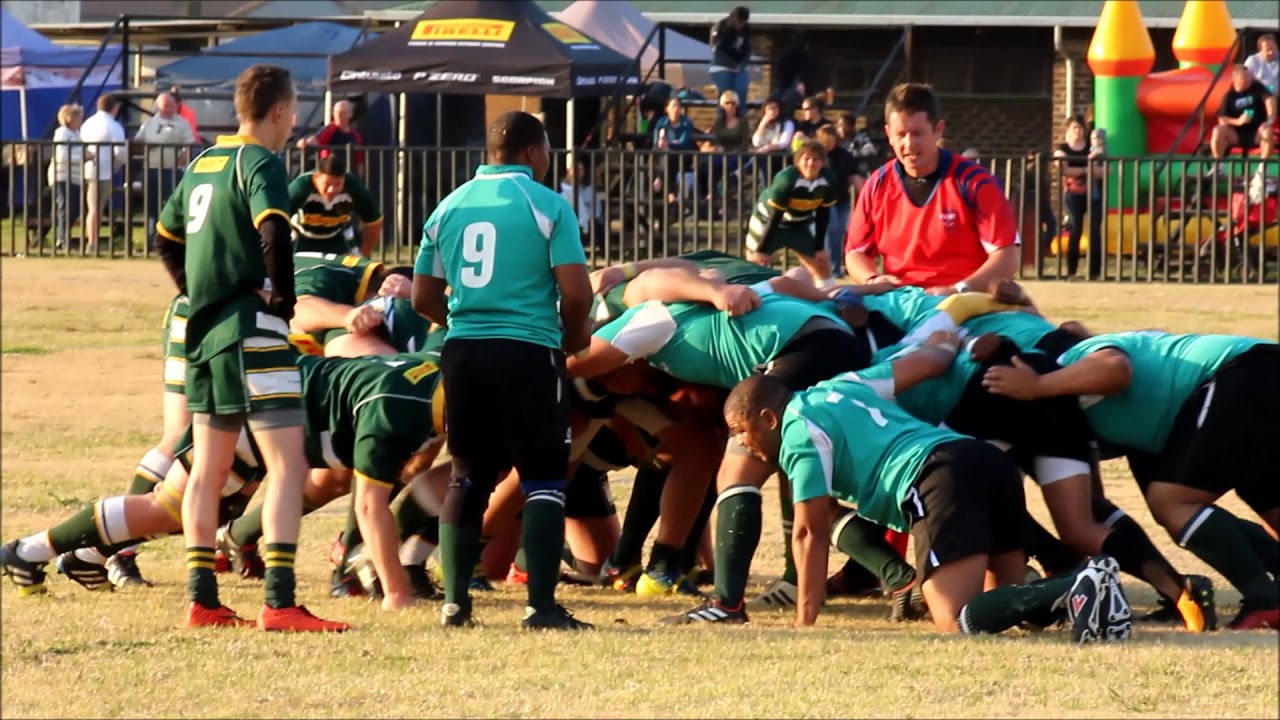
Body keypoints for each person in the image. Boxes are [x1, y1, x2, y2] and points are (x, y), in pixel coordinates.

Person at [721, 366, 1134, 643]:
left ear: (768, 418)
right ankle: (1088, 593)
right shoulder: (842, 384)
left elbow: (809, 532)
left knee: (954, 620)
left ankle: (1079, 582)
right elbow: (912, 361)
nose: (740, 442)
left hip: (937, 477)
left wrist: (804, 623)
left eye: (741, 430)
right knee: (1010, 608)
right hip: (983, 460)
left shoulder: (796, 431)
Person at [152, 64, 349, 632]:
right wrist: (282, 302)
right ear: (281, 112)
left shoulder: (202, 162)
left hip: (205, 331)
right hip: (252, 331)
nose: (291, 130)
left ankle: (202, 598)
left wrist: (198, 292)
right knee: (288, 463)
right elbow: (272, 230)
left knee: (208, 471)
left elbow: (164, 238)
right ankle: (280, 601)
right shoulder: (258, 160)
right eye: (291, 117)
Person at [411, 110, 595, 631]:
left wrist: (463, 320)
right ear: (535, 152)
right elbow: (577, 291)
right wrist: (571, 334)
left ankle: (455, 606)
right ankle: (541, 607)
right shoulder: (547, 205)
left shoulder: (448, 206)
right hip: (528, 352)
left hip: (464, 352)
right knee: (542, 478)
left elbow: (423, 295)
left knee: (468, 476)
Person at [983, 331, 1280, 630]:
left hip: (1242, 372)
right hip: (1252, 371)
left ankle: (1266, 602)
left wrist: (1038, 385)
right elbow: (1094, 505)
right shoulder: (1137, 420)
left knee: (1173, 504)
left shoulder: (1071, 360)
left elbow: (1115, 368)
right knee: (1265, 500)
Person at [844, 83, 1020, 294]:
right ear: (888, 134)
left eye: (917, 133)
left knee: (1034, 326)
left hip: (966, 302)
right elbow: (855, 253)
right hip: (901, 302)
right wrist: (872, 279)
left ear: (938, 130)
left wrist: (959, 289)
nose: (908, 144)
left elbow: (1008, 256)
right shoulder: (877, 185)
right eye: (901, 134)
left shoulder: (974, 183)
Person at [745, 139, 838, 286]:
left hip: (799, 223)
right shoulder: (786, 179)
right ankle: (752, 299)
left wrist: (819, 247)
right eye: (806, 158)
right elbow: (776, 215)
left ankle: (828, 300)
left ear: (823, 162)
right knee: (755, 265)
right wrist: (761, 249)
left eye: (816, 159)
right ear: (797, 161)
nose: (811, 163)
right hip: (767, 221)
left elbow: (823, 213)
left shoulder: (829, 180)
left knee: (821, 264)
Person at [288, 154, 383, 257]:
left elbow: (374, 222)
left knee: (356, 268)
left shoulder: (352, 186)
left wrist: (364, 254)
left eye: (338, 184)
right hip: (301, 237)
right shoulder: (301, 186)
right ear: (316, 177)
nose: (331, 190)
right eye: (327, 184)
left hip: (338, 237)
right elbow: (278, 218)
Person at [135, 91, 197, 239]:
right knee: (151, 204)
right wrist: (146, 146)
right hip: (151, 169)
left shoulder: (182, 123)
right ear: (158, 107)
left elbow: (190, 145)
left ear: (176, 106)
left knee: (170, 204)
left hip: (171, 171)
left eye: (170, 106)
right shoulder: (149, 123)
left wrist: (180, 161)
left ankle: (169, 236)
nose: (167, 109)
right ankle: (152, 236)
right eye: (163, 106)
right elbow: (138, 141)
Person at [1053, 116, 1105, 281]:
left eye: (1080, 127)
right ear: (1068, 130)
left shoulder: (1092, 148)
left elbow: (1104, 171)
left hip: (1094, 194)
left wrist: (1079, 170)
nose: (1078, 131)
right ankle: (1072, 272)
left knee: (1095, 232)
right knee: (1075, 231)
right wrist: (1087, 170)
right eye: (1074, 127)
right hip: (1073, 195)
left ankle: (1095, 272)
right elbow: (1064, 169)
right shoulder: (1062, 148)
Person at [79, 93, 126, 252]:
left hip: (86, 169)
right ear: (115, 107)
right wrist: (118, 165)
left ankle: (92, 241)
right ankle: (92, 243)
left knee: (93, 207)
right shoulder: (113, 126)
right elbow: (120, 152)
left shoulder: (87, 123)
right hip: (103, 170)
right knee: (95, 208)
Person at [816, 125, 858, 278]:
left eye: (831, 141)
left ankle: (837, 266)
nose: (829, 145)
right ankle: (833, 267)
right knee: (833, 229)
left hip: (842, 199)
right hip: (825, 200)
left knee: (841, 232)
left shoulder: (844, 155)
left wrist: (866, 193)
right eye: (825, 141)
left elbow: (854, 176)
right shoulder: (818, 157)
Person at [1210, 65, 1275, 160]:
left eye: (1249, 76)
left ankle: (1262, 168)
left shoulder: (1257, 87)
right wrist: (1238, 121)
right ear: (1235, 79)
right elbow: (1222, 119)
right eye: (1244, 77)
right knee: (1218, 130)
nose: (1248, 79)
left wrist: (1269, 120)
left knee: (1267, 131)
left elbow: (1270, 99)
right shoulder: (1229, 96)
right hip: (1236, 133)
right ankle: (1218, 166)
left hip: (1257, 131)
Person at [47, 103, 83, 250]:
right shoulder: (62, 133)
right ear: (70, 118)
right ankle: (62, 239)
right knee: (65, 207)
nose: (81, 119)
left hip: (74, 176)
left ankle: (64, 237)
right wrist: (83, 157)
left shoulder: (76, 133)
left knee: (74, 208)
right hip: (61, 175)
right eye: (79, 117)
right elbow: (61, 155)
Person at [297, 99, 365, 173]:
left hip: (347, 174)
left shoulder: (356, 135)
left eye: (342, 112)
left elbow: (359, 161)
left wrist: (358, 179)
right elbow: (315, 140)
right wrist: (304, 142)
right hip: (329, 172)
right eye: (336, 112)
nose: (338, 115)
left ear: (350, 114)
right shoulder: (330, 129)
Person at [710, 6, 752, 117]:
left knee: (741, 95)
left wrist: (743, 63)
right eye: (739, 22)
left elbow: (747, 48)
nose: (740, 25)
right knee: (726, 97)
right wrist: (733, 63)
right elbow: (717, 48)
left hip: (739, 67)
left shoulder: (746, 29)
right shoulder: (721, 27)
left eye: (743, 22)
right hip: (722, 66)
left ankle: (740, 125)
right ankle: (722, 124)